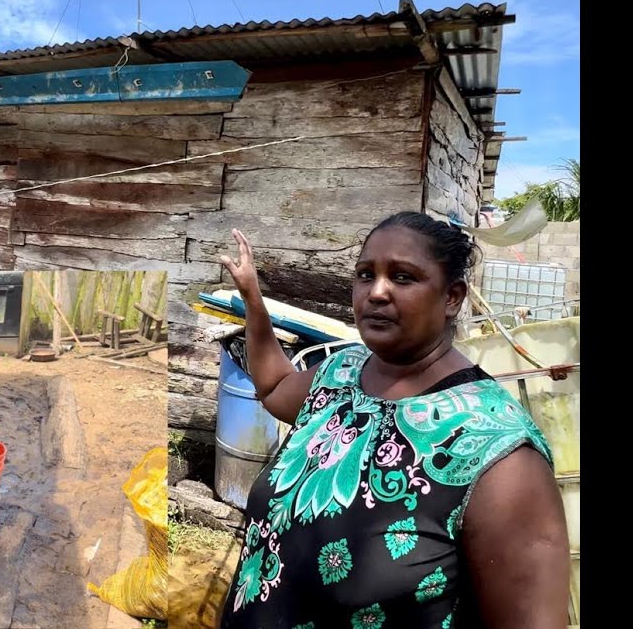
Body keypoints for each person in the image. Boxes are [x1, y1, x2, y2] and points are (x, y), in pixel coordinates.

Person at [215, 212, 570, 628]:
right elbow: (275, 388)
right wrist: (253, 299)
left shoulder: (497, 453)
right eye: (366, 275)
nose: (377, 292)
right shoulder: (340, 375)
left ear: (452, 297)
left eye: (403, 278)